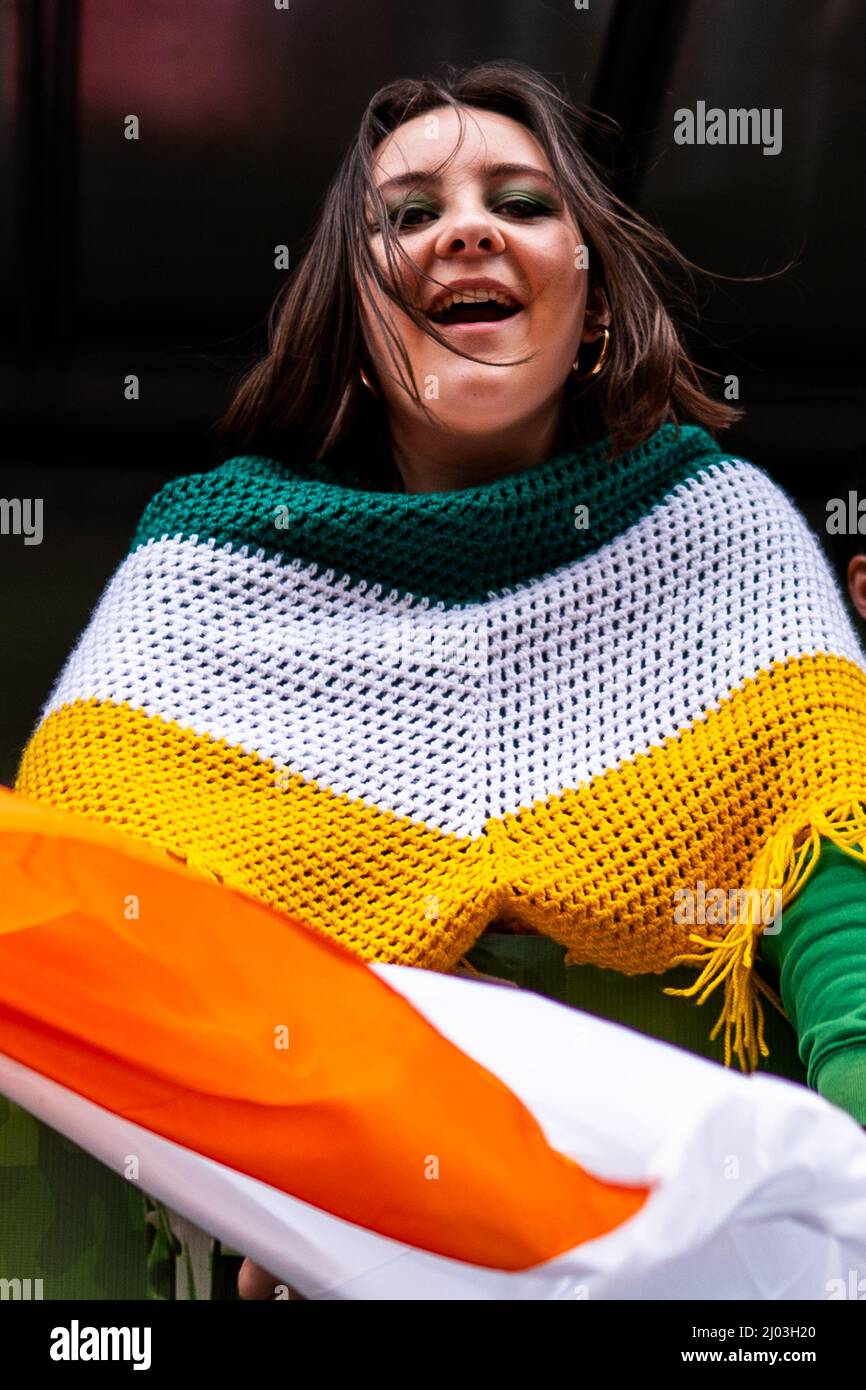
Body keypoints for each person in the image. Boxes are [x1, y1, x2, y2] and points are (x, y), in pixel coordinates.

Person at [12, 62, 866, 1302]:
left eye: (519, 202)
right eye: (408, 214)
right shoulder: (193, 575)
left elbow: (835, 919)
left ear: (594, 298)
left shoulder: (727, 533)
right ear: (349, 316)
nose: (466, 225)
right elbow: (72, 970)